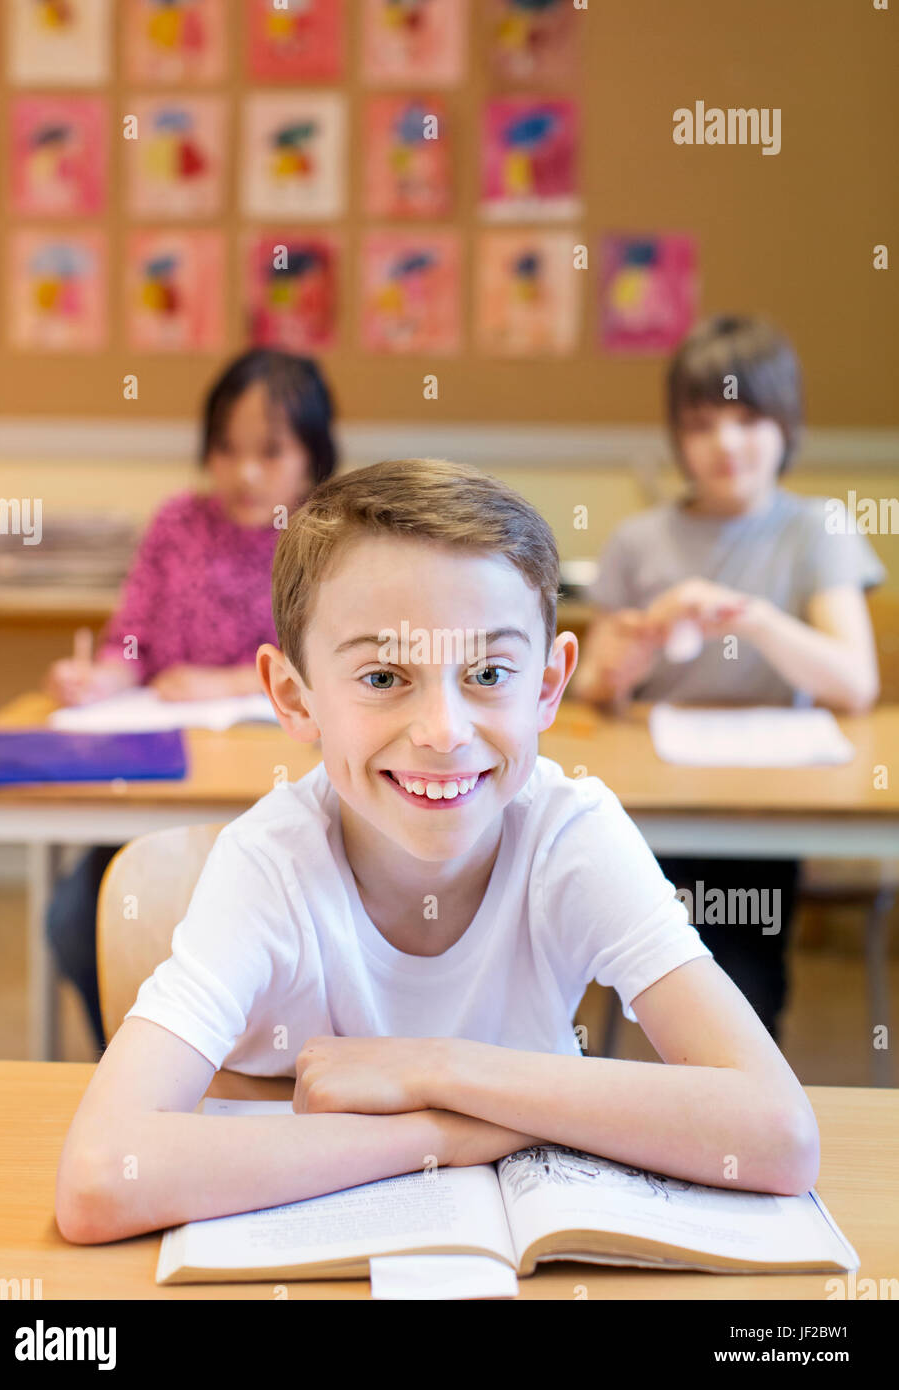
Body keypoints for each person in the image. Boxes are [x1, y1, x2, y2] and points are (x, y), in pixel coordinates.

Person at [56, 457, 819, 1246]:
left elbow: (778, 1134)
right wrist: (445, 1137)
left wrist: (435, 1069)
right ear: (293, 696)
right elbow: (101, 1176)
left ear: (549, 684)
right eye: (384, 676)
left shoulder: (570, 835)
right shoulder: (270, 866)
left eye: (490, 672)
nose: (444, 732)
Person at [569, 315, 884, 1041]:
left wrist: (744, 614)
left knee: (742, 973)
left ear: (786, 424)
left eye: (747, 419)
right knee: (641, 946)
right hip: (655, 799)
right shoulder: (638, 540)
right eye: (703, 423)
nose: (726, 443)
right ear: (678, 435)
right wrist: (645, 634)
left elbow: (853, 683)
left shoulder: (818, 529)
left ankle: (734, 1074)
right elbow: (596, 688)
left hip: (769, 805)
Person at [43, 349, 338, 1053]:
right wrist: (106, 677)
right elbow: (134, 641)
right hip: (160, 785)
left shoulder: (333, 537)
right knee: (76, 918)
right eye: (226, 448)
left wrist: (233, 680)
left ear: (313, 455)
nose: (244, 472)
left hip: (287, 800)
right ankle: (129, 1065)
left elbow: (347, 665)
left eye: (270, 451)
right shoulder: (178, 524)